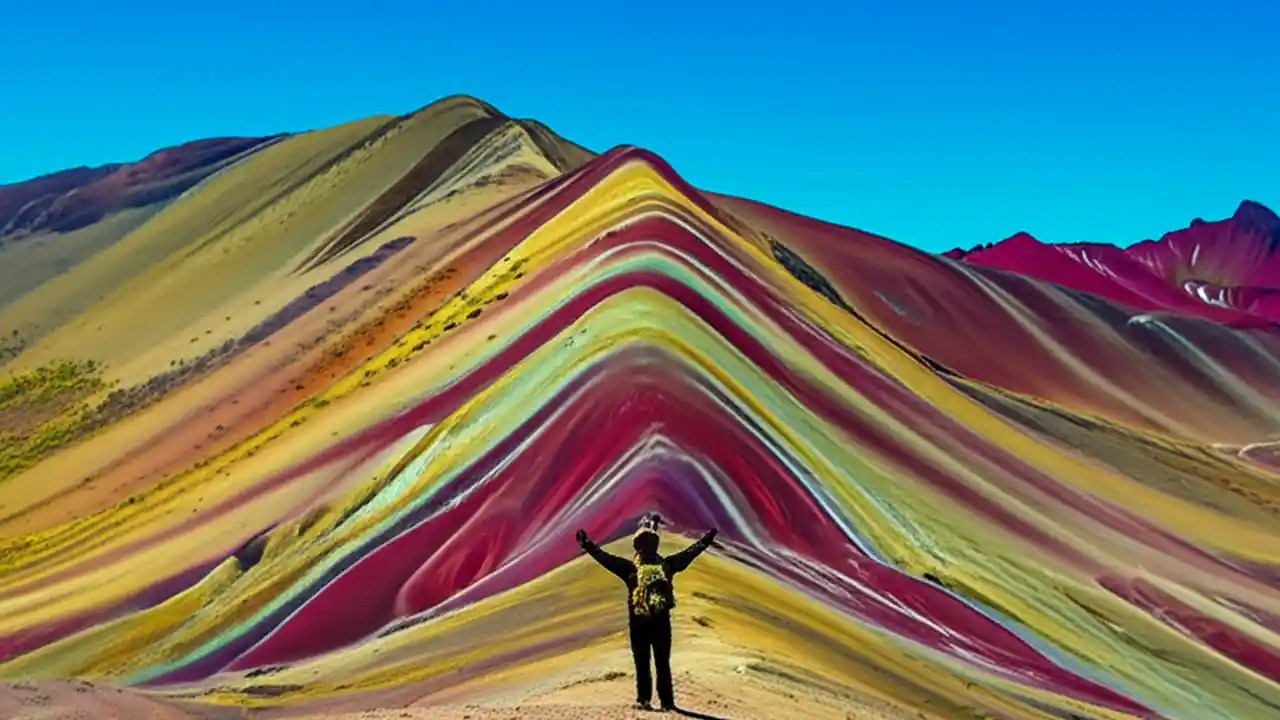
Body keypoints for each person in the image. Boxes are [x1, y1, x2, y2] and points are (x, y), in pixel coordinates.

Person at [576, 513, 718, 712]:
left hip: (638, 623)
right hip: (661, 623)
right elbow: (689, 554)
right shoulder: (667, 565)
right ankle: (667, 703)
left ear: (636, 547)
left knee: (642, 663)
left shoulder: (629, 568)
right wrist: (706, 541)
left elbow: (605, 559)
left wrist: (587, 545)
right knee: (662, 664)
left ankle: (644, 700)